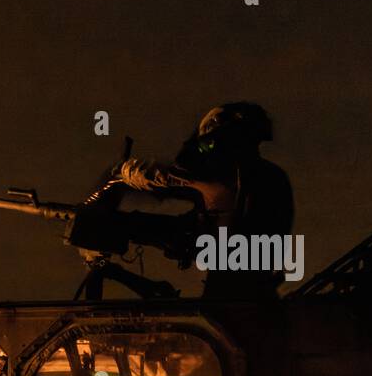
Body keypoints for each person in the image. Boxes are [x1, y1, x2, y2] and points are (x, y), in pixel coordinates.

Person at [113, 102, 294, 300]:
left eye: (209, 144)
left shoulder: (222, 174)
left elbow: (164, 175)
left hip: (229, 287)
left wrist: (124, 171)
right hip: (259, 284)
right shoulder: (273, 176)